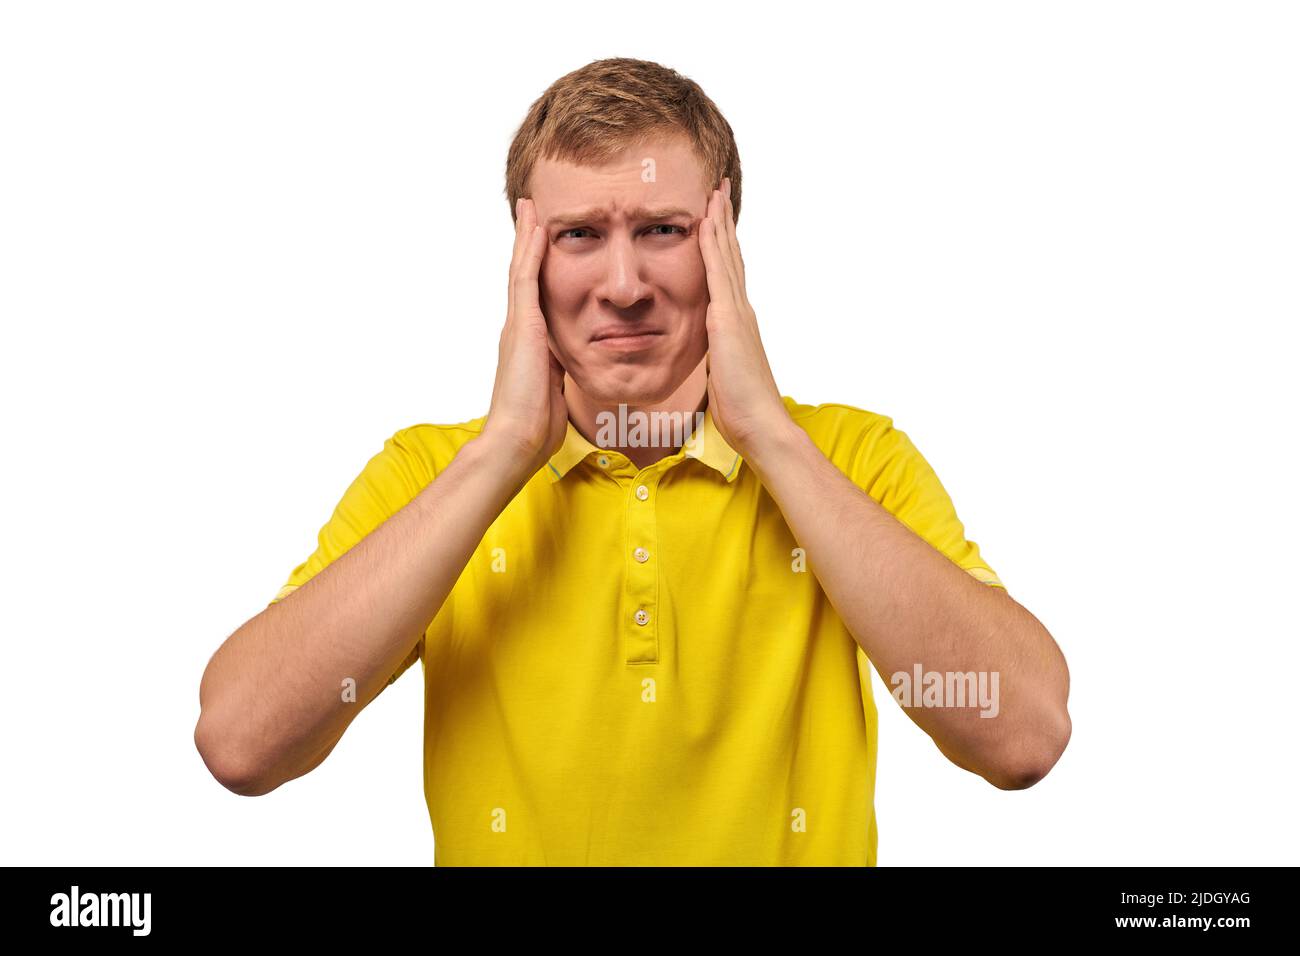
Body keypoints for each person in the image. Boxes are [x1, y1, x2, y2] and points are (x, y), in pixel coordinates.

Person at [195, 57, 1071, 866]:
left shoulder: (848, 457)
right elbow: (240, 745)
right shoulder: (434, 474)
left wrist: (768, 434)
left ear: (725, 246)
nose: (622, 284)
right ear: (525, 263)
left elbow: (1024, 737)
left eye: (662, 229)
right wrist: (502, 453)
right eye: (578, 235)